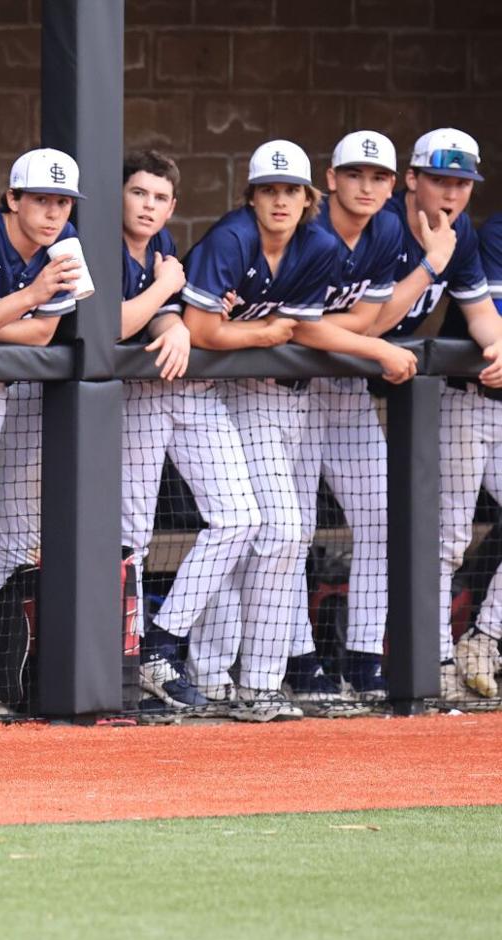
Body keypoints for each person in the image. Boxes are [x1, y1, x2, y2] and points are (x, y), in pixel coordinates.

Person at [168, 138, 346, 722]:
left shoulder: (317, 246)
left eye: (291, 191)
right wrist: (262, 333)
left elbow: (301, 327)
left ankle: (231, 677)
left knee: (262, 536)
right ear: (252, 196)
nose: (280, 201)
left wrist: (253, 331)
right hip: (210, 391)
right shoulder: (231, 238)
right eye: (269, 190)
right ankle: (235, 676)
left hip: (276, 398)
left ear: (308, 198)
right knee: (278, 529)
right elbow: (201, 330)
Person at [287, 131, 430, 706]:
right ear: (331, 178)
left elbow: (368, 320)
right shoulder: (309, 231)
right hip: (288, 388)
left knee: (382, 516)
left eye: (378, 177)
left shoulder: (387, 230)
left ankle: (366, 656)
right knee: (292, 531)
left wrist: (351, 331)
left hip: (344, 388)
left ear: (392, 185)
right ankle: (297, 660)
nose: (366, 186)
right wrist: (370, 345)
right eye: (354, 174)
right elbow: (301, 328)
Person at [112, 149, 253, 719]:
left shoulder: (163, 246)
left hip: (178, 392)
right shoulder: (103, 244)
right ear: (120, 195)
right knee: (131, 536)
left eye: (160, 198)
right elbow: (111, 324)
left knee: (240, 517)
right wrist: (166, 291)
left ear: (172, 207)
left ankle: (160, 643)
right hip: (125, 398)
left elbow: (167, 314)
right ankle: (123, 668)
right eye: (138, 193)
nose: (148, 206)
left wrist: (177, 326)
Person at [0, 148, 87, 716]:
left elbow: (44, 335)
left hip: (1, 397)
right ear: (13, 198)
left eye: (63, 202)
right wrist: (27, 300)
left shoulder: (67, 241)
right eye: (41, 200)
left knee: (3, 544)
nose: (54, 213)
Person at [391, 128, 502, 701]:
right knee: (446, 537)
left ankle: (484, 639)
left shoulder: (463, 235)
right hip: (463, 400)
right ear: (412, 178)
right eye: (441, 180)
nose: (453, 192)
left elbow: (486, 319)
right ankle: (428, 659)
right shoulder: (388, 226)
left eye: (462, 183)